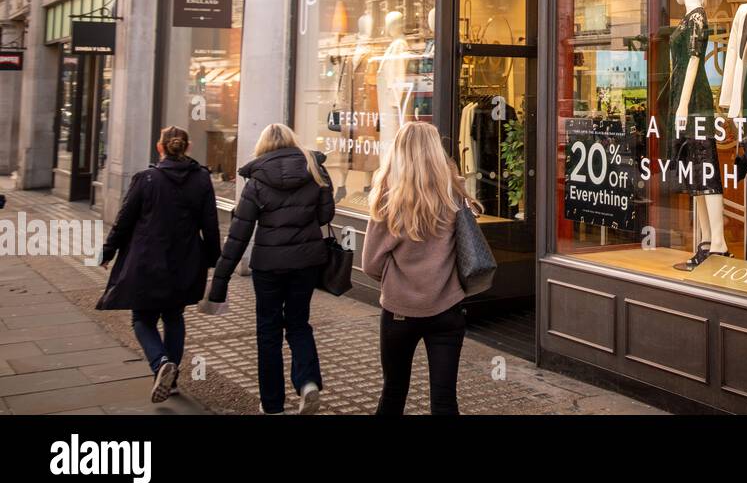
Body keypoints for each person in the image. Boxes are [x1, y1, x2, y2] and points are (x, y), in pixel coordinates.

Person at [203, 123, 334, 415]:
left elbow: (239, 234)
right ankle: (308, 382)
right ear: (292, 141)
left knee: (268, 331)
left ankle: (273, 406)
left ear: (263, 146)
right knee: (299, 323)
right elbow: (326, 215)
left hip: (269, 267)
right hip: (306, 262)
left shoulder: (257, 180)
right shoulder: (315, 170)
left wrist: (220, 281)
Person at [97, 126, 221, 403]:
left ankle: (159, 362)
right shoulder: (201, 178)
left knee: (142, 318)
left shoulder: (147, 178)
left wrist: (106, 252)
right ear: (186, 147)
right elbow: (210, 225)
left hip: (147, 261)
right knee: (174, 317)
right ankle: (171, 379)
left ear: (160, 147)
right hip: (186, 261)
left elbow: (124, 220)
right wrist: (214, 261)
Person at [362, 121, 478, 415]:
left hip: (399, 312)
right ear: (435, 152)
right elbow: (469, 249)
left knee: (393, 392)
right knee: (444, 400)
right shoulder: (454, 196)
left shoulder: (388, 201)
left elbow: (370, 264)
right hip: (447, 309)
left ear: (399, 153)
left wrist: (397, 281)